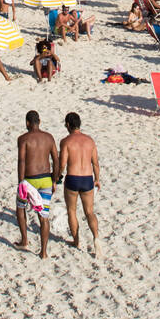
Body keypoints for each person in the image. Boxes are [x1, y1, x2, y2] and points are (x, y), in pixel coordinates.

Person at [14, 111, 60, 259]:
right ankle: (44, 252)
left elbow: (21, 161)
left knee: (21, 208)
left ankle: (24, 240)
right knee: (43, 216)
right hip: (46, 179)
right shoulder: (49, 137)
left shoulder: (23, 139)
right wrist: (55, 179)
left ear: (28, 123)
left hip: (29, 180)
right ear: (39, 121)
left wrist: (21, 182)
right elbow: (56, 160)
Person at [59, 111, 101, 259]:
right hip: (87, 178)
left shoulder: (66, 141)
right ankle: (96, 237)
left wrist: (57, 177)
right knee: (89, 211)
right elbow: (95, 162)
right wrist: (97, 179)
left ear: (68, 125)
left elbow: (62, 164)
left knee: (71, 211)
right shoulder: (90, 141)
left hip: (73, 178)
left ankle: (76, 241)